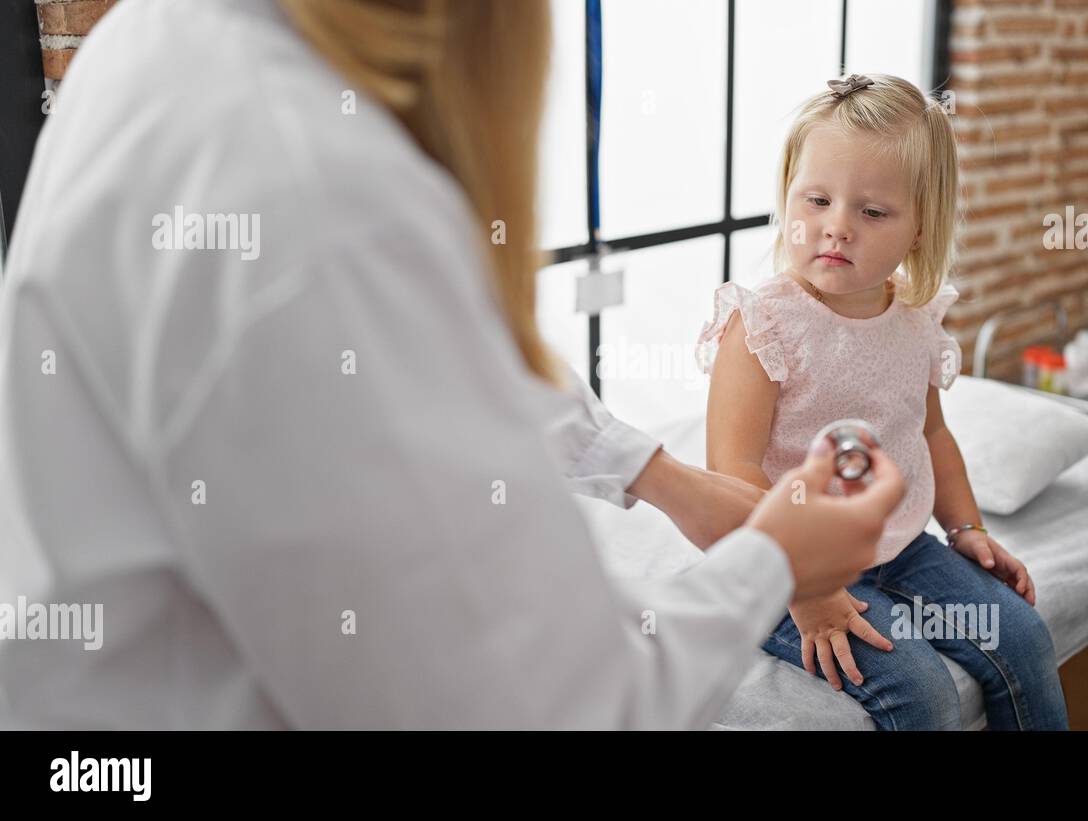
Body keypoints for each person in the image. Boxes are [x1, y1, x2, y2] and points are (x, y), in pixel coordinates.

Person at [0, 0, 904, 729]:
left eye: (874, 212)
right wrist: (773, 560)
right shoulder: (315, 196)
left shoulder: (160, 41)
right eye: (818, 198)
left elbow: (439, 355)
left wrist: (658, 475)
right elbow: (559, 702)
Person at [698, 74, 1068, 730]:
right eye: (815, 200)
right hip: (780, 561)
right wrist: (807, 590)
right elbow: (735, 475)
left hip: (901, 544)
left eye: (871, 213)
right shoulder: (760, 325)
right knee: (924, 690)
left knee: (1024, 638)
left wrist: (967, 528)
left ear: (922, 228)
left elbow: (929, 434)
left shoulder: (916, 318)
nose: (834, 228)